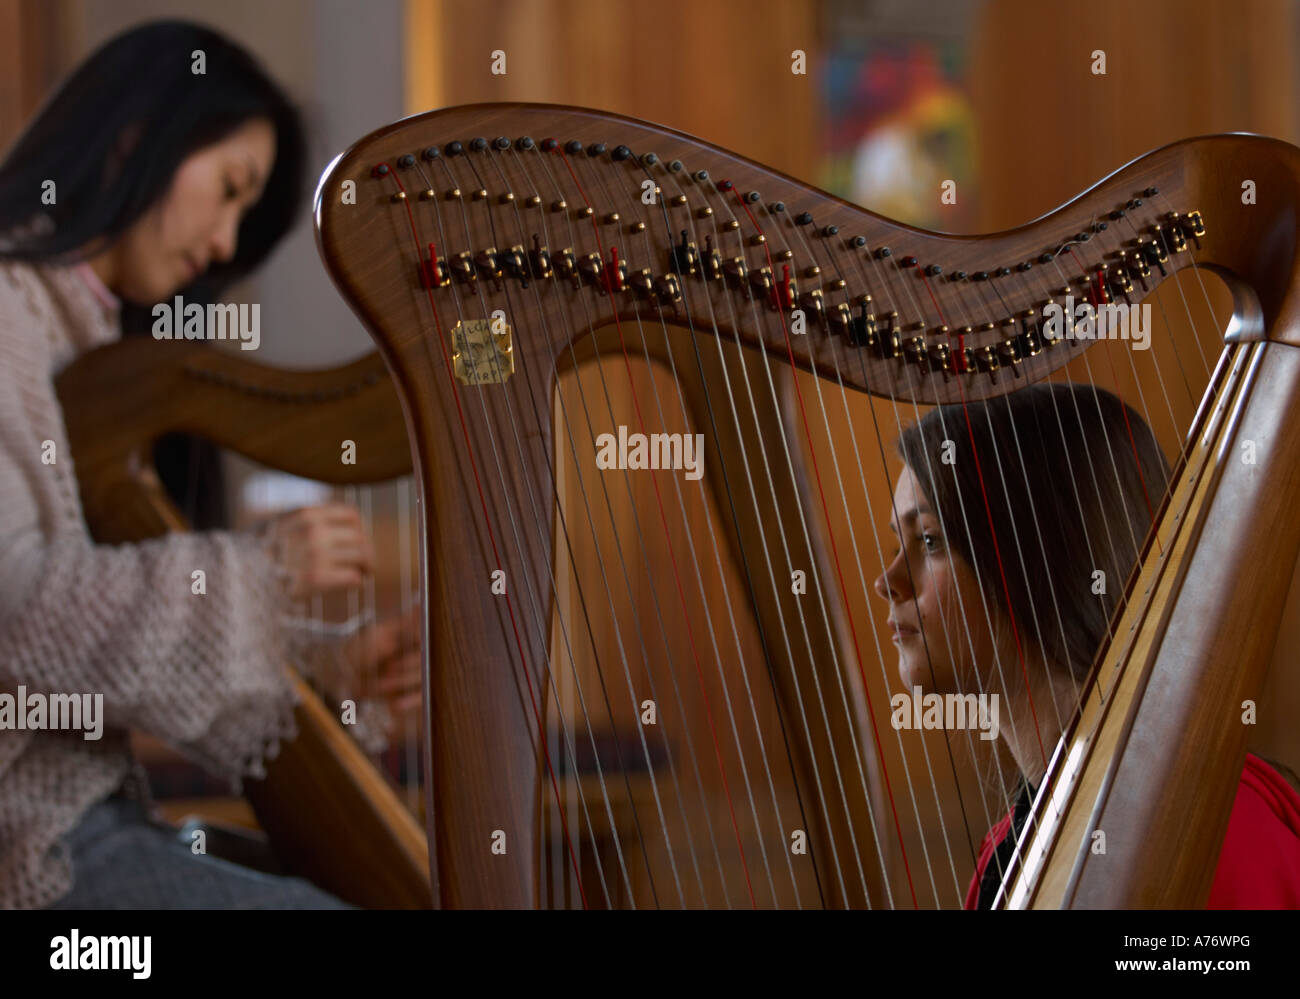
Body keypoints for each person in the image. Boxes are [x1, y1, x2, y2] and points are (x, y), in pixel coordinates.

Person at [0, 20, 420, 909]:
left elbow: (118, 646)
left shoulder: (102, 352)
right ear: (135, 138)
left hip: (89, 824)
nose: (227, 245)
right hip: (33, 853)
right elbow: (24, 614)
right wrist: (265, 576)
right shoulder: (7, 315)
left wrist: (331, 669)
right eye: (230, 190)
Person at [874, 381, 1300, 909]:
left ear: (1039, 562)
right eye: (900, 543)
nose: (888, 580)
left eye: (931, 540)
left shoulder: (1216, 833)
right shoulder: (1008, 856)